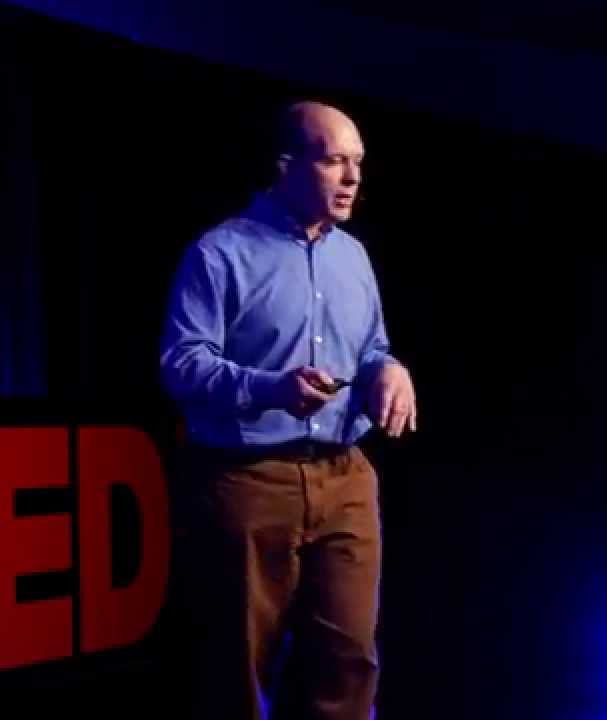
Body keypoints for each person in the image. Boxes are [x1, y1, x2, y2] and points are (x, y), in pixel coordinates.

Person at [159, 100, 415, 719]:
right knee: (239, 666)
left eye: (357, 163)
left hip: (345, 477)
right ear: (286, 168)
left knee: (350, 658)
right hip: (251, 479)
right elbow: (180, 363)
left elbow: (373, 345)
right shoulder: (220, 254)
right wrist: (270, 387)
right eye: (334, 162)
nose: (352, 179)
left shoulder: (351, 255)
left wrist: (391, 369)